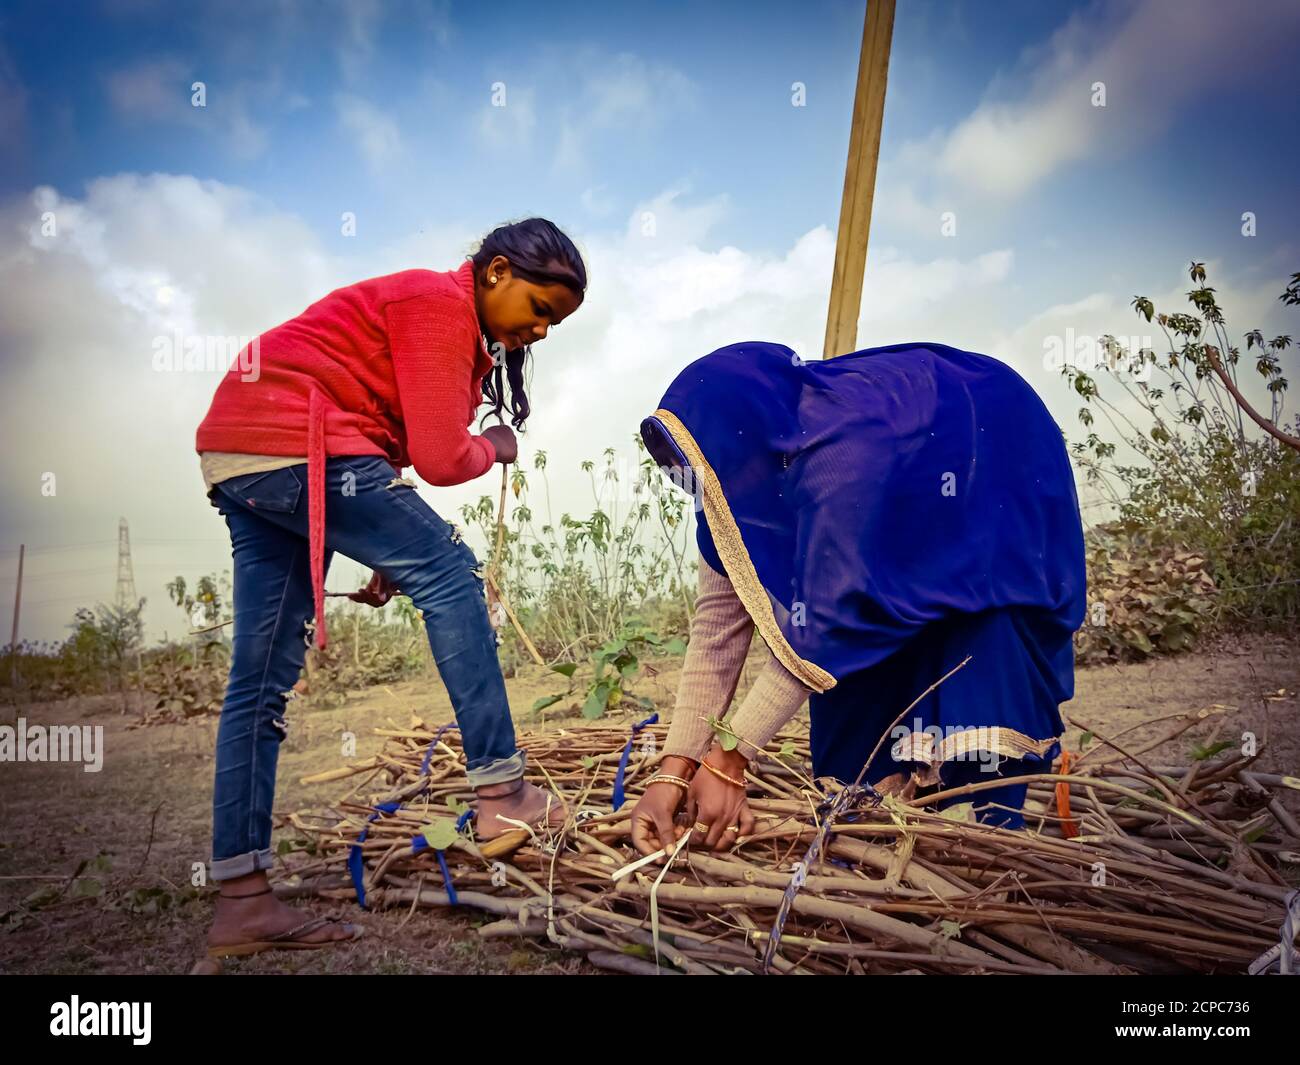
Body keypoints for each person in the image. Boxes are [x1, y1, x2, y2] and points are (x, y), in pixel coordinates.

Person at [195, 218, 585, 956]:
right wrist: (494, 446)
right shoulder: (438, 304)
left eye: (554, 323)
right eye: (538, 307)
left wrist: (380, 553)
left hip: (242, 451)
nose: (539, 329)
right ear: (496, 271)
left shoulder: (437, 323)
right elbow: (441, 458)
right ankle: (503, 796)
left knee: (259, 679)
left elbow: (383, 440)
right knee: (452, 574)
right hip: (294, 441)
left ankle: (242, 898)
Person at [630, 340, 1086, 857]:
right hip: (906, 507)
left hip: (989, 468)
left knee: (978, 642)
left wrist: (729, 760)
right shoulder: (730, 487)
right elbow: (716, 630)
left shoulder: (840, 455)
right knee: (856, 693)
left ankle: (990, 841)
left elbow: (831, 624)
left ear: (757, 434)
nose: (716, 482)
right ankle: (895, 819)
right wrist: (674, 772)